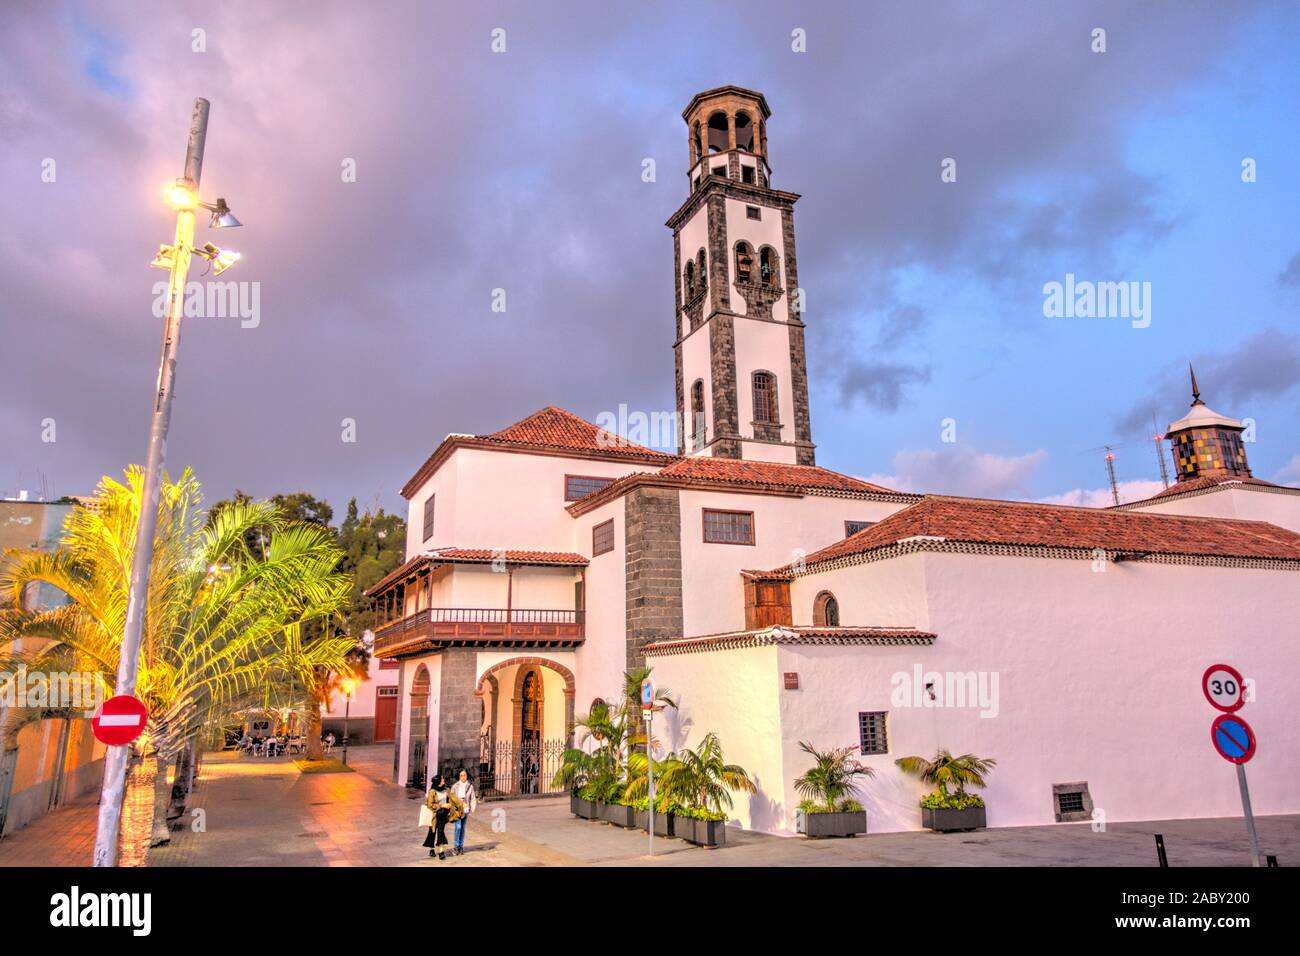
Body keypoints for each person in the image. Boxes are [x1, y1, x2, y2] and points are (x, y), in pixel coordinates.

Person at [422, 775, 464, 860]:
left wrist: (462, 804)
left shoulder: (446, 790)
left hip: (443, 814)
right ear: (438, 781)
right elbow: (430, 805)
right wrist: (442, 805)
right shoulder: (432, 792)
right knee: (432, 831)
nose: (443, 779)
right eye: (442, 779)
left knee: (441, 831)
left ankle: (441, 851)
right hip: (434, 814)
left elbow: (454, 798)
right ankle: (432, 849)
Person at [451, 769, 478, 856]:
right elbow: (451, 798)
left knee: (463, 828)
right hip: (457, 810)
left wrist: (472, 808)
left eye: (464, 775)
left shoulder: (470, 786)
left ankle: (461, 846)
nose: (463, 777)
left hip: (465, 811)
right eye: (461, 775)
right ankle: (456, 846)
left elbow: (473, 798)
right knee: (458, 827)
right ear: (459, 776)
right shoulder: (455, 786)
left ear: (467, 776)